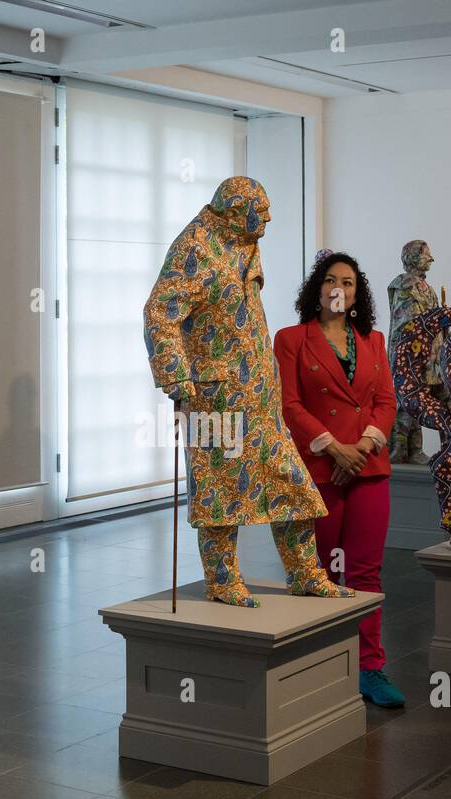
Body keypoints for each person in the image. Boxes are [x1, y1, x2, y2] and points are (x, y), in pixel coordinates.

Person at [143, 178, 353, 609]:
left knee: (291, 481)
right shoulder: (195, 248)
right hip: (212, 396)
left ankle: (305, 573)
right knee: (218, 493)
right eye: (263, 208)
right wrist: (175, 376)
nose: (270, 217)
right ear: (236, 210)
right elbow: (159, 312)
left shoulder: (242, 240)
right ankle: (221, 580)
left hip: (257, 395)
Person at [273, 250, 402, 708]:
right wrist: (334, 447)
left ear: (356, 292)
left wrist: (363, 447)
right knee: (323, 570)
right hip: (322, 467)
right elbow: (290, 406)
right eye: (331, 280)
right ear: (317, 288)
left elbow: (386, 402)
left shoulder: (373, 339)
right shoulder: (291, 339)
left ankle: (370, 668)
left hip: (368, 468)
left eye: (347, 282)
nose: (339, 289)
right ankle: (323, 664)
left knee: (365, 571)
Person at [385, 240, 444, 464]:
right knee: (407, 401)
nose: (431, 259)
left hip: (430, 356)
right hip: (411, 356)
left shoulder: (425, 287)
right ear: (413, 257)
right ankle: (402, 449)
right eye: (426, 254)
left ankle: (415, 449)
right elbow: (407, 324)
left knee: (418, 401)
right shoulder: (406, 285)